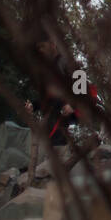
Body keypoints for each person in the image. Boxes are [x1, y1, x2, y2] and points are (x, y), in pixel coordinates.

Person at [24, 37, 78, 185]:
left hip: (63, 116)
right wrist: (33, 106)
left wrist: (73, 104)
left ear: (53, 45)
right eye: (38, 48)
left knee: (59, 147)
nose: (40, 51)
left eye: (43, 46)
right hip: (50, 117)